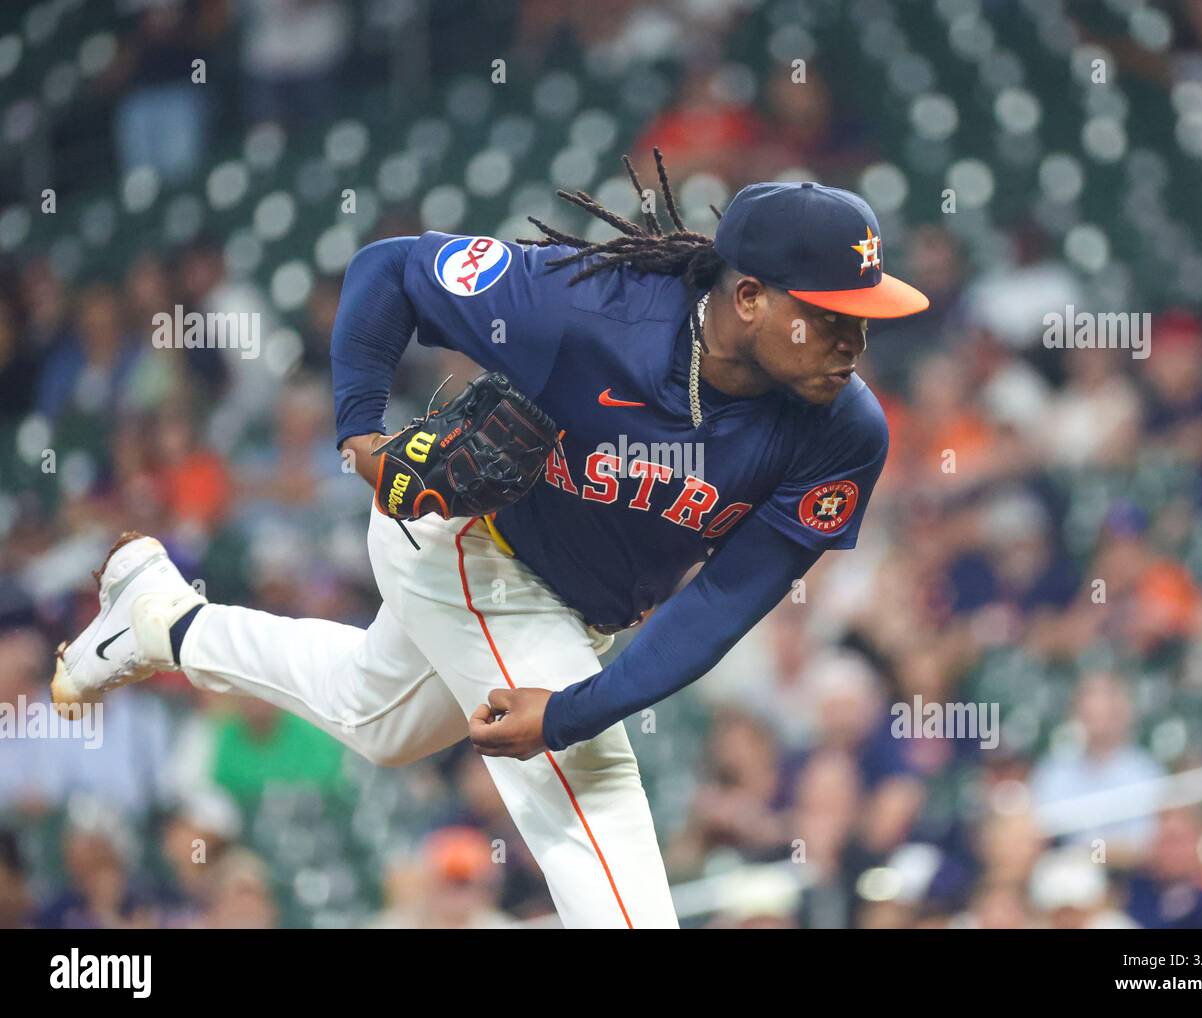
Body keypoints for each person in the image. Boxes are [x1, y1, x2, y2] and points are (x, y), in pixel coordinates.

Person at [50, 152, 930, 928]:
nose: (856, 340)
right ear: (747, 297)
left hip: (580, 602)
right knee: (594, 792)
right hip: (468, 540)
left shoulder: (844, 432)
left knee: (377, 718)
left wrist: (575, 703)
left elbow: (723, 602)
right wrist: (360, 434)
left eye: (865, 315)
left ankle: (165, 622)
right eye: (832, 314)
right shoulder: (583, 304)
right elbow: (389, 270)